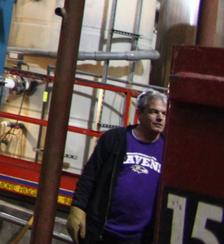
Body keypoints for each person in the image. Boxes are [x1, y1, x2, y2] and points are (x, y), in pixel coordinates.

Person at [67, 90, 168, 244]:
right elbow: (90, 175)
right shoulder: (115, 139)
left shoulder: (168, 150)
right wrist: (78, 207)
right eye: (154, 112)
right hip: (103, 232)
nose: (160, 117)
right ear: (139, 113)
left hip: (140, 237)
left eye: (164, 113)